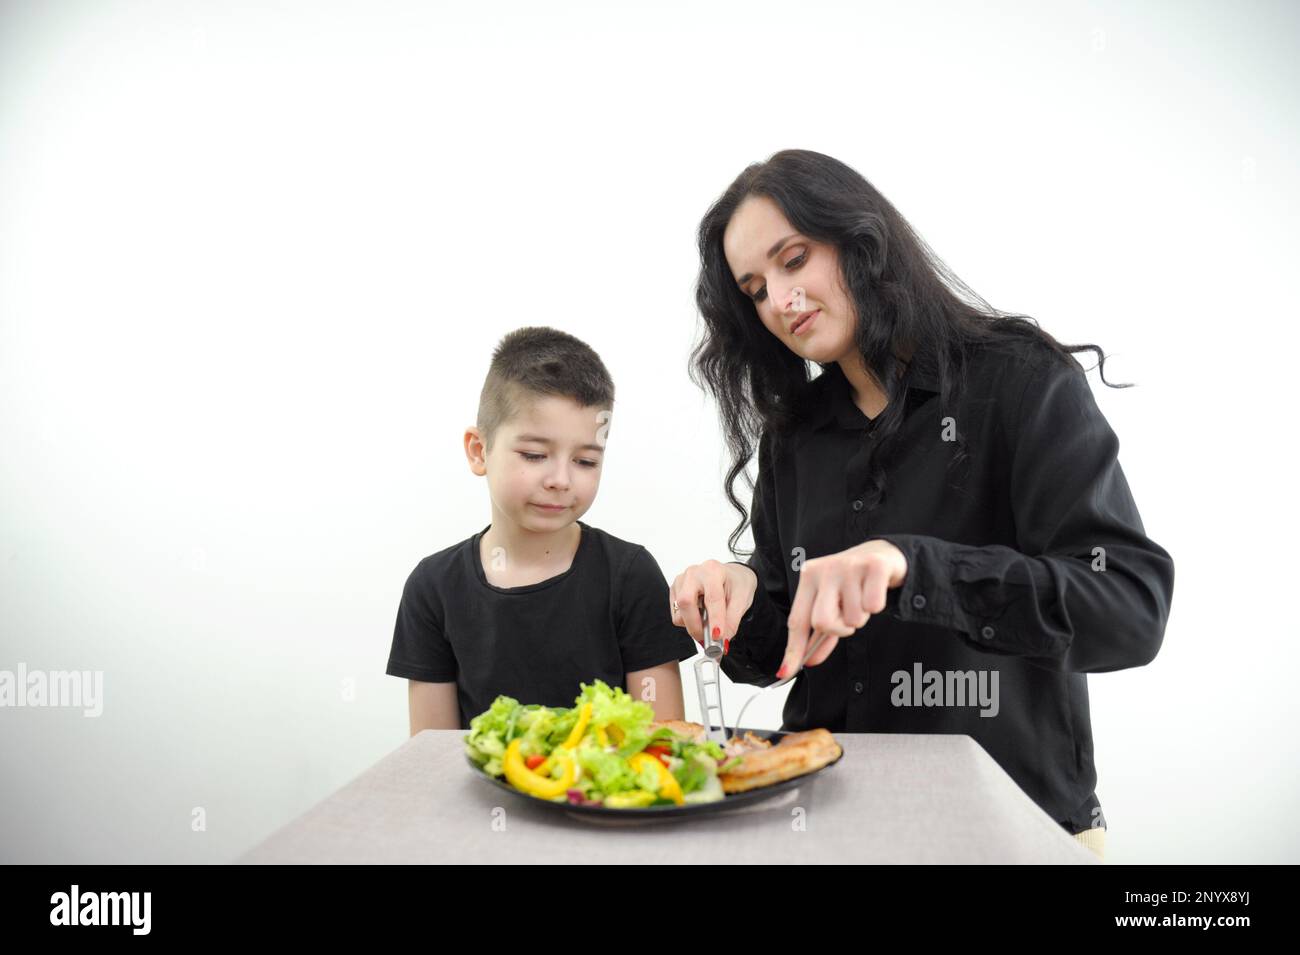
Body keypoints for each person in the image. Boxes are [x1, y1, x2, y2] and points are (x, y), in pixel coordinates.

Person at [669, 149, 1175, 862]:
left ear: (862, 240)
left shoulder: (1023, 384)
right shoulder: (796, 435)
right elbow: (781, 638)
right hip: (828, 831)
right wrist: (741, 594)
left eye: (794, 259)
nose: (779, 302)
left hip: (1010, 831)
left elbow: (1130, 608)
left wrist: (913, 565)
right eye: (754, 289)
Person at [387, 327, 697, 733]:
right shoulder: (432, 587)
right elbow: (432, 757)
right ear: (479, 450)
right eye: (534, 455)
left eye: (586, 461)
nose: (561, 480)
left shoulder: (631, 575)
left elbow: (664, 742)